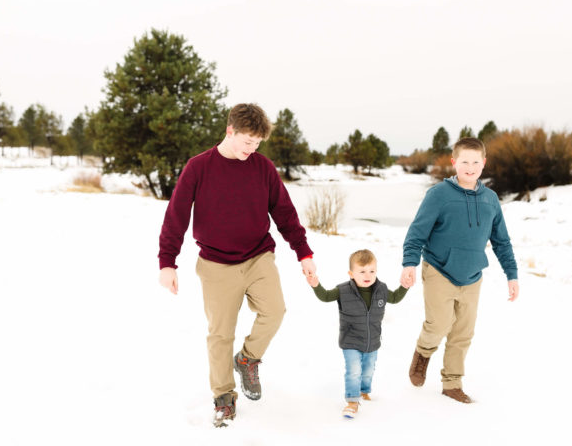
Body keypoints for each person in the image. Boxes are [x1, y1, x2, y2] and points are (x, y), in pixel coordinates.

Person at [157, 103, 317, 427]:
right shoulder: (198, 167)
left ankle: (247, 359)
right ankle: (224, 397)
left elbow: (284, 213)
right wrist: (167, 262)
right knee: (220, 334)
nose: (252, 149)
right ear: (230, 131)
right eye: (247, 141)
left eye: (257, 143)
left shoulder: (263, 168)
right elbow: (176, 215)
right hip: (216, 264)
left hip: (258, 256)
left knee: (275, 311)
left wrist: (304, 253)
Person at [400, 137, 519, 403]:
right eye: (464, 161)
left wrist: (512, 274)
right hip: (439, 270)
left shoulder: (490, 199)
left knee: (463, 332)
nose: (470, 166)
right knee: (439, 323)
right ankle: (423, 352)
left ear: (484, 163)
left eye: (476, 162)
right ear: (454, 162)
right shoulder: (439, 195)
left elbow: (502, 241)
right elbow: (417, 232)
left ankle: (452, 383)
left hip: (472, 275)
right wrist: (410, 262)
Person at [305, 249, 412, 419]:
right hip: (351, 340)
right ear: (351, 273)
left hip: (372, 341)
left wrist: (404, 287)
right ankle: (352, 401)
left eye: (372, 271)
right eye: (362, 271)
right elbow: (325, 296)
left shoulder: (381, 289)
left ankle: (364, 392)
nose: (367, 275)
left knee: (368, 370)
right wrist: (315, 285)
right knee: (354, 370)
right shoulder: (343, 290)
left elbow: (395, 298)